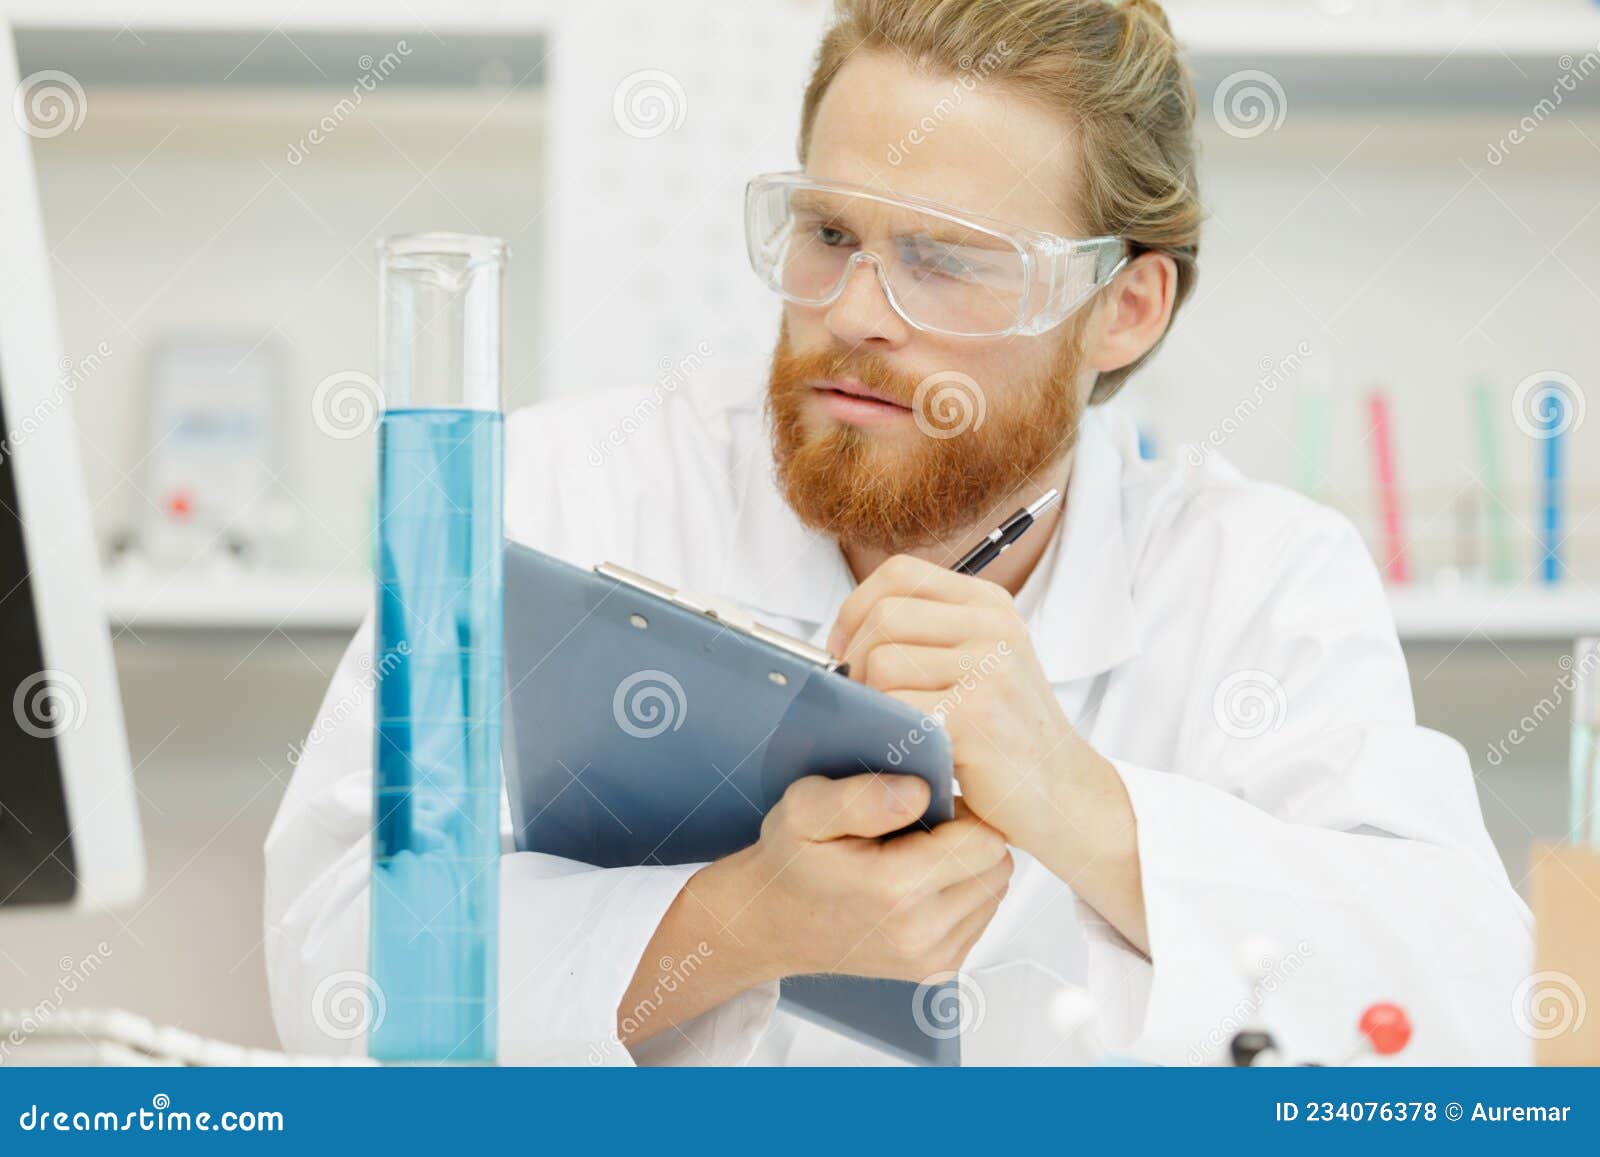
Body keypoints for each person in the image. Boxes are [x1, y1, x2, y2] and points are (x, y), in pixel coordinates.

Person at [265, 0, 1531, 1065]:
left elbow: (1462, 1007)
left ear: (1125, 307)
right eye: (829, 235)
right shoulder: (553, 491)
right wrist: (733, 923)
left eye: (945, 258)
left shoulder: (1255, 579)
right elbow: (331, 960)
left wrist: (1083, 806)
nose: (856, 311)